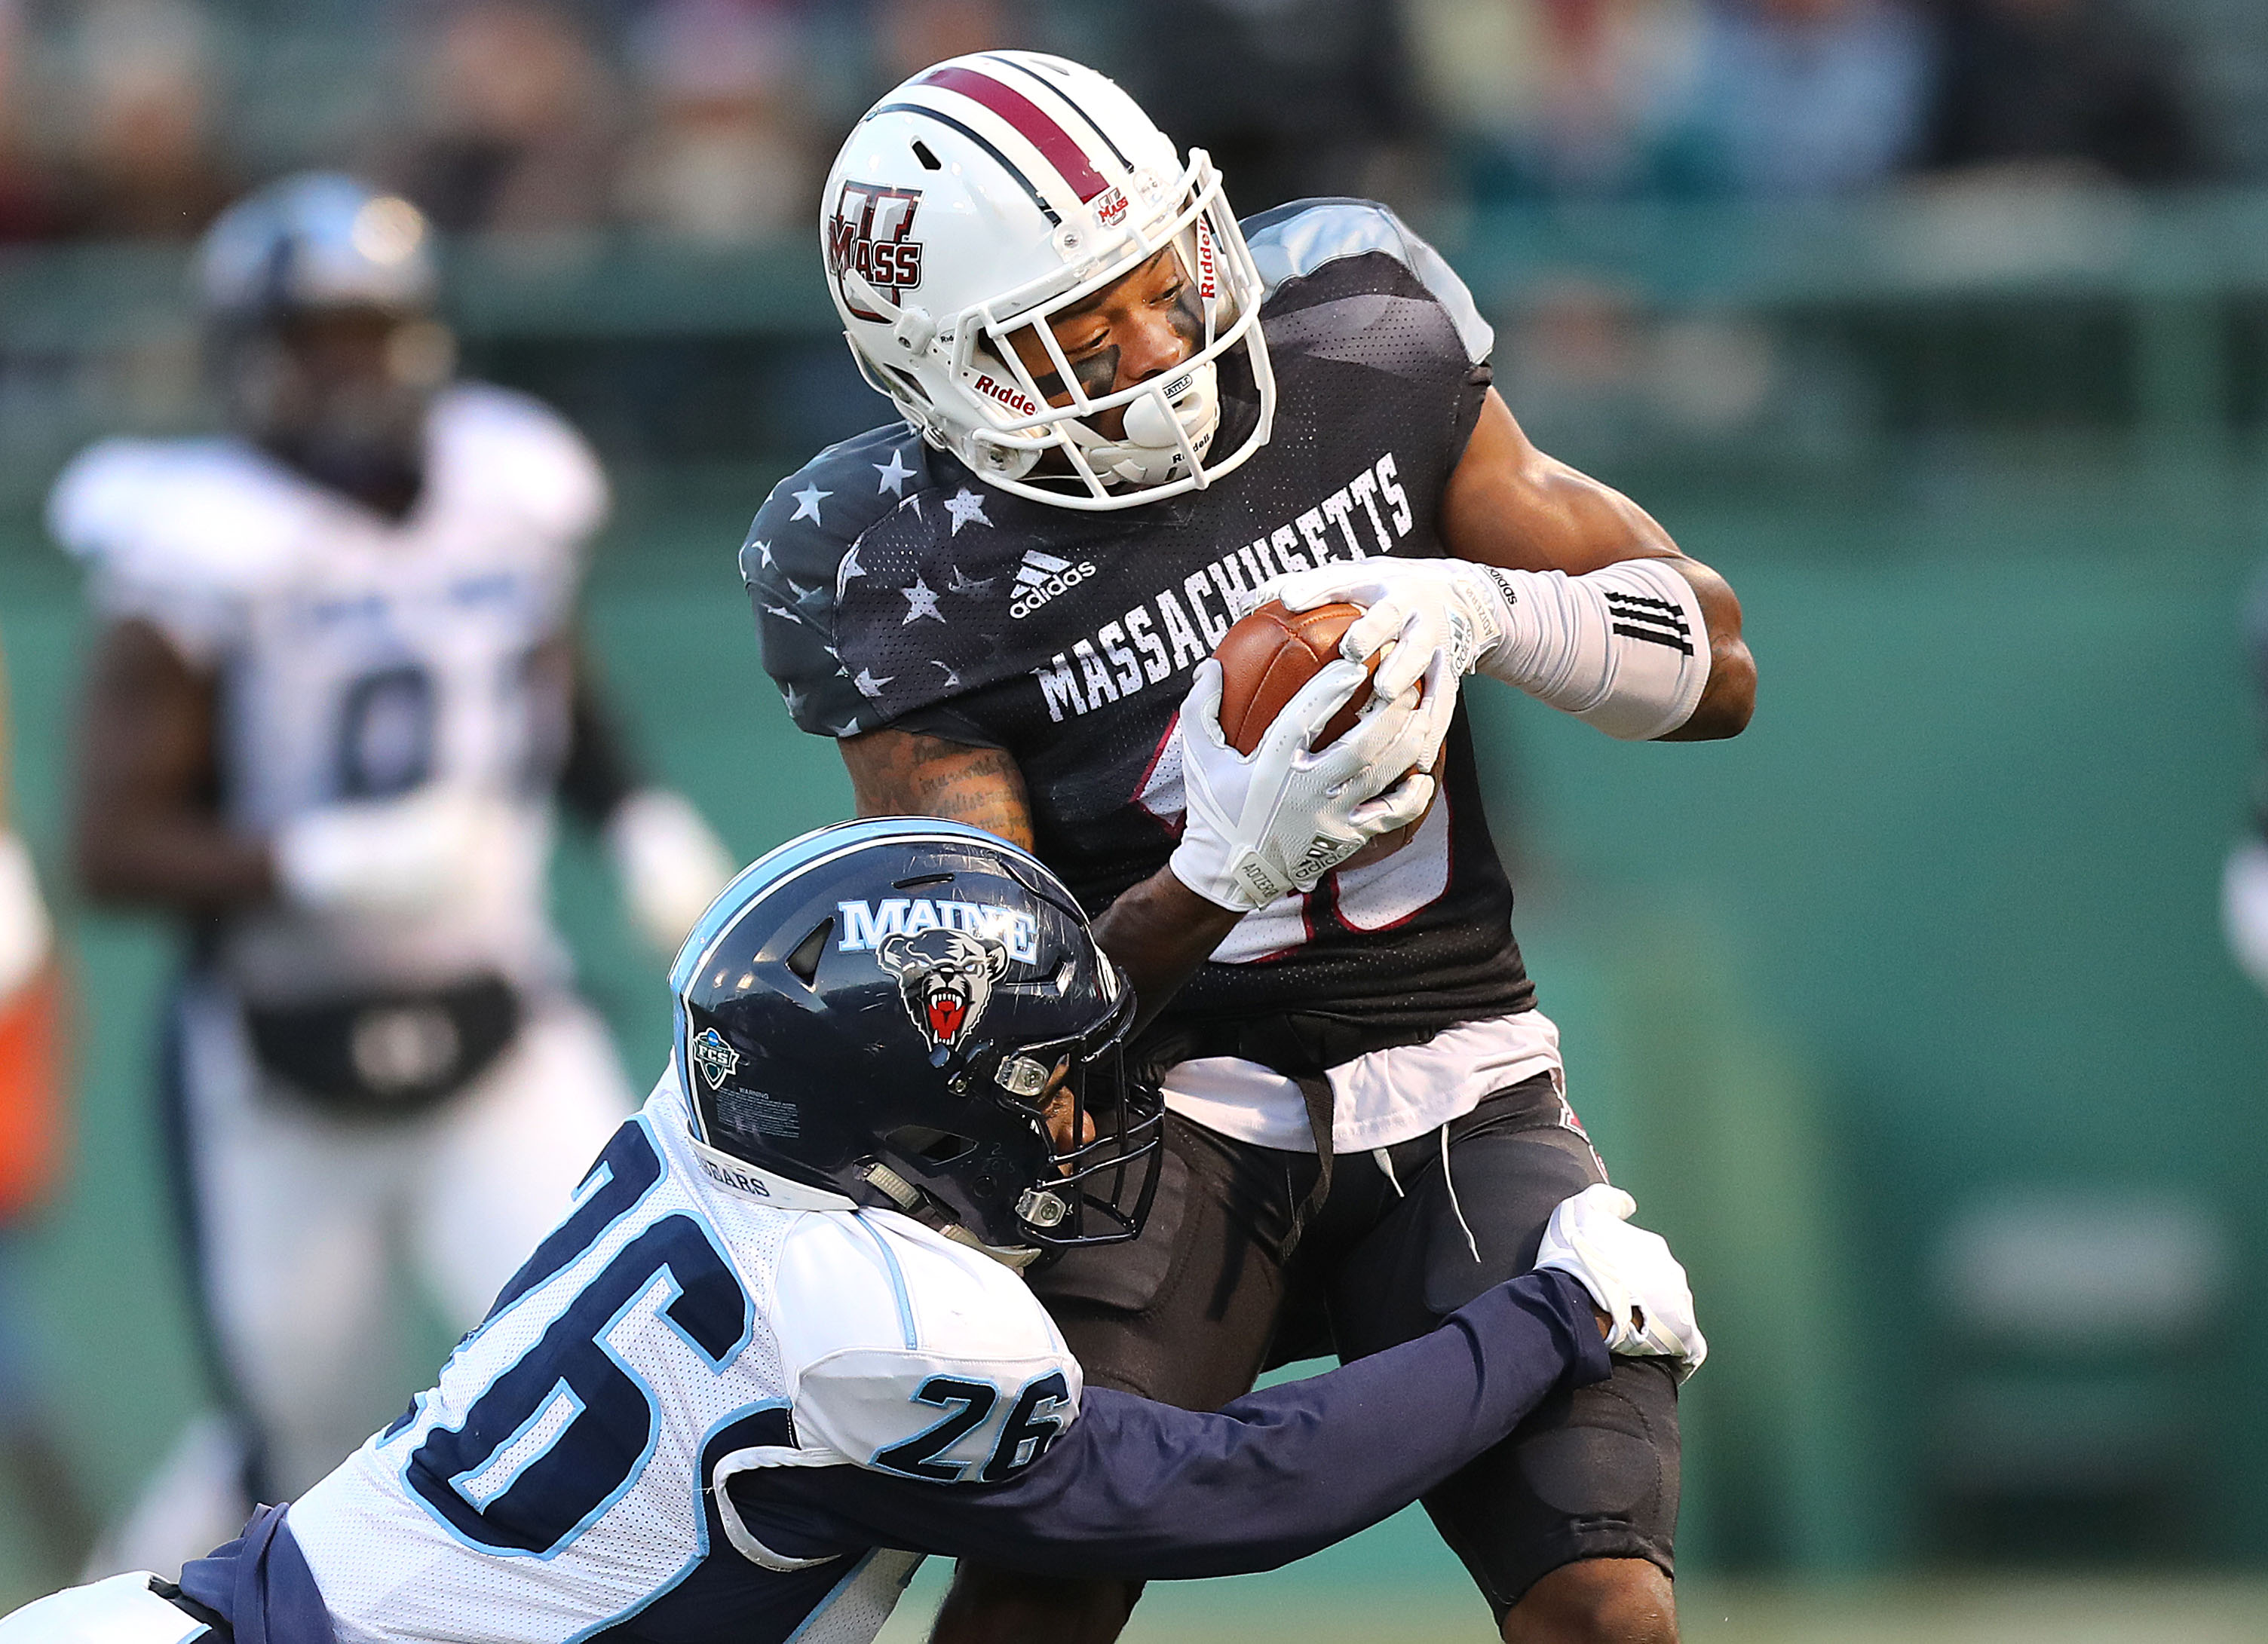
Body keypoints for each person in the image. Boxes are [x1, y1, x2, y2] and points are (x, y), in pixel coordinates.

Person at [746, 49, 1758, 1644]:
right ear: (941, 375)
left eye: (1169, 282)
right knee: (1035, 1601)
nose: (1165, 350)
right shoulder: (894, 560)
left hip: (1462, 1068)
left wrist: (1489, 604)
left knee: (1605, 1602)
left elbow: (1719, 671)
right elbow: (995, 1035)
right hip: (1158, 1128)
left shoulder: (1357, 329)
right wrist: (1219, 872)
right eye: (1083, 335)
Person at [0, 818, 1705, 1644]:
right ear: (907, 1128)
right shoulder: (874, 1326)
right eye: (1039, 1088)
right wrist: (1550, 1318)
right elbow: (1227, 1487)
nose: (1078, 1121)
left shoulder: (701, 1129)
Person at [54, 173, 735, 1577]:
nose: (349, 367)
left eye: (369, 330)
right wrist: (315, 861)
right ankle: (127, 1611)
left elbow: (547, 676)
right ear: (248, 352)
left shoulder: (507, 484)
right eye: (315, 336)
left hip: (502, 1018)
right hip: (274, 1059)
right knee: (297, 1449)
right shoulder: (194, 538)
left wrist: (635, 815)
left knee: (624, 1361)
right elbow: (111, 847)